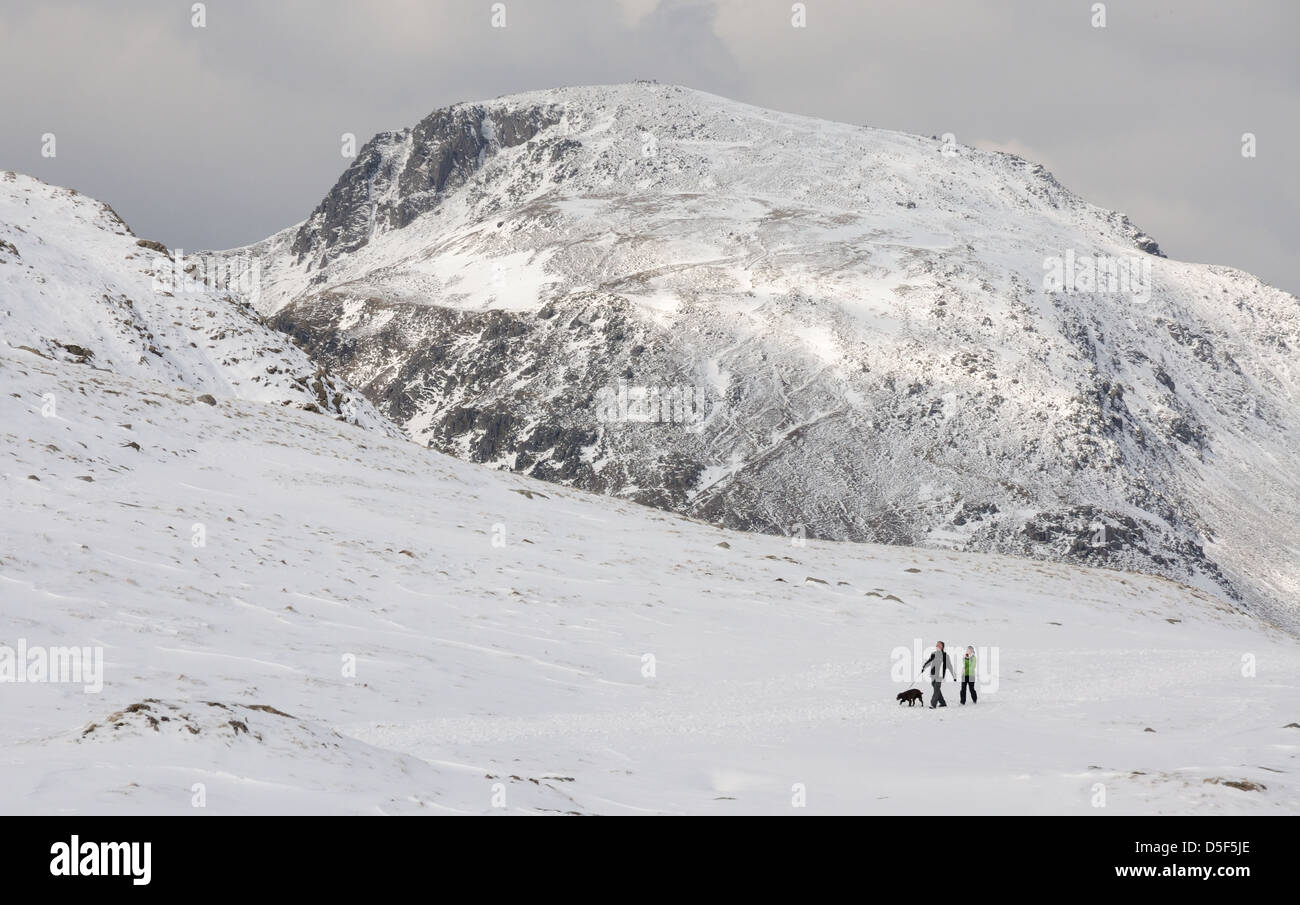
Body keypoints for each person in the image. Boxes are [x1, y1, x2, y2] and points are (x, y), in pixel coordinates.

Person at [919, 641, 954, 708]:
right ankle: (943, 703)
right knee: (936, 689)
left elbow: (949, 665)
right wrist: (924, 667)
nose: (937, 646)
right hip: (933, 674)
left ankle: (933, 704)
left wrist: (953, 675)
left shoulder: (945, 655)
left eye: (939, 645)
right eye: (937, 645)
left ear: (942, 647)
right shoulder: (933, 654)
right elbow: (929, 662)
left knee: (936, 689)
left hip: (940, 675)